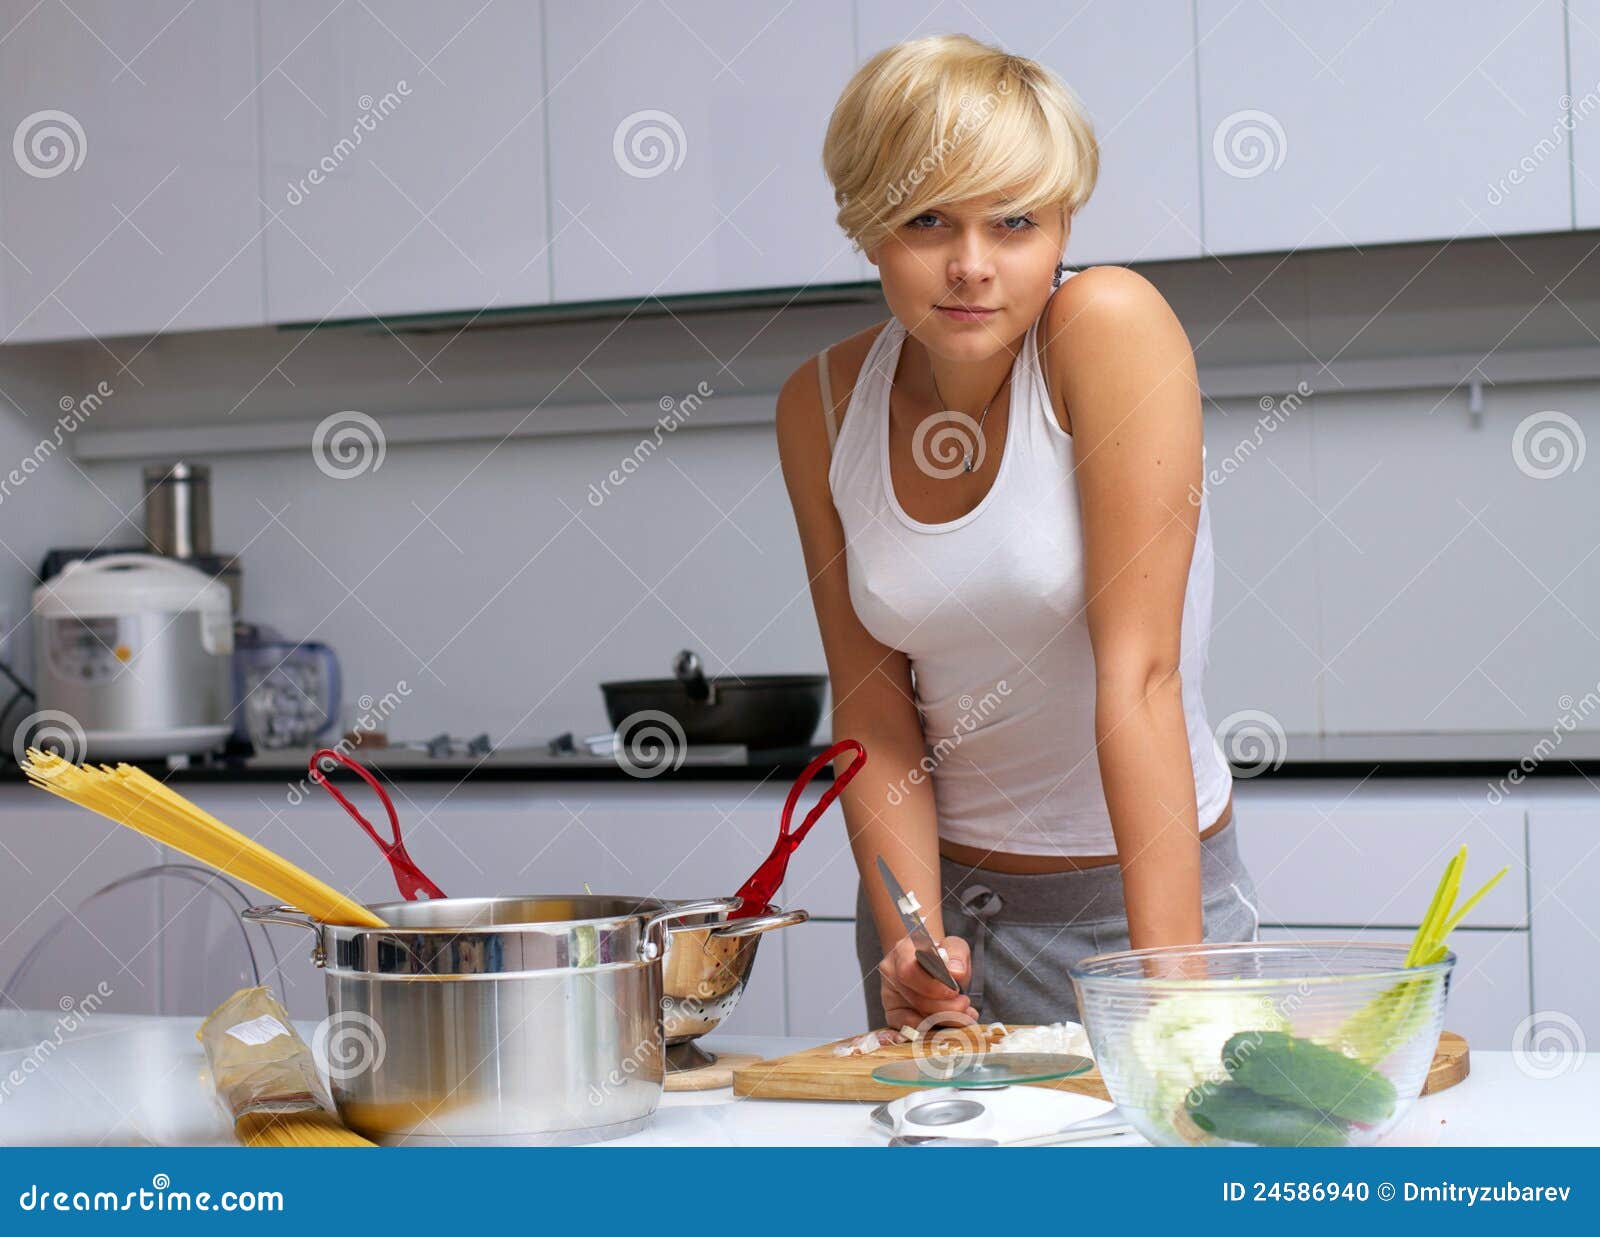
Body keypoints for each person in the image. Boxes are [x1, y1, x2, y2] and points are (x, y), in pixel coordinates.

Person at [773, 33, 1261, 1033]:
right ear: (867, 226)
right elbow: (872, 711)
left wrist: (1169, 980)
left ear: (1062, 221)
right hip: (944, 918)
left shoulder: (1108, 327)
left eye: (1013, 222)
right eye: (926, 222)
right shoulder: (818, 405)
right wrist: (913, 937)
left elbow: (1141, 674)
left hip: (1142, 912)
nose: (970, 266)